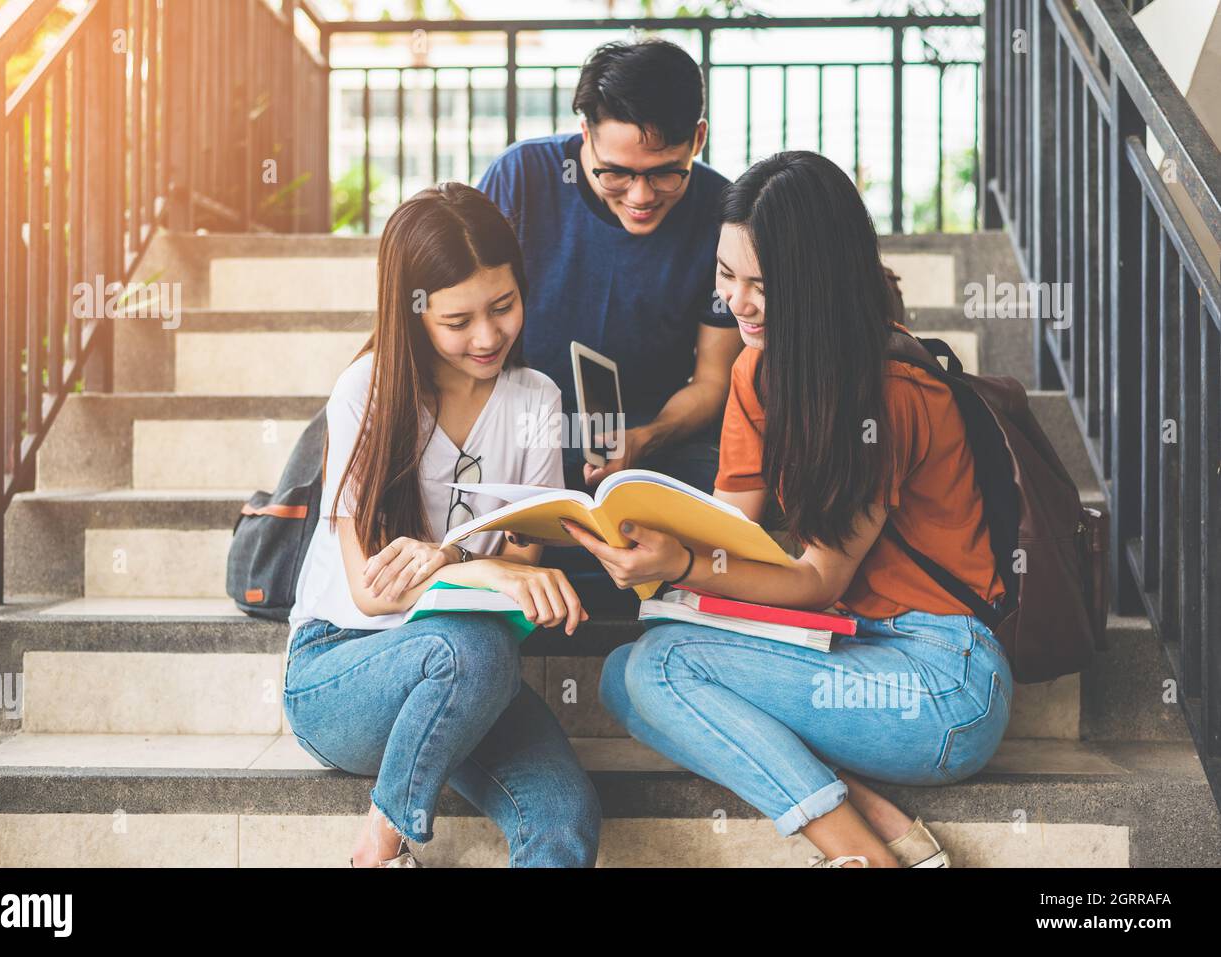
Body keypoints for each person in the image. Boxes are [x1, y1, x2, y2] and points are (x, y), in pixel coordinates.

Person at [566, 151, 1013, 868]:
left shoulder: (889, 394)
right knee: (624, 675)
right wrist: (632, 525)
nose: (736, 302)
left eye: (762, 285)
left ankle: (857, 855)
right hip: (850, 649)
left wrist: (684, 563)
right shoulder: (757, 369)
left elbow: (816, 580)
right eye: (725, 275)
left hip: (938, 681)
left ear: (817, 283)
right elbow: (730, 529)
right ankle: (872, 812)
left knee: (660, 671)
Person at [284, 183, 600, 868]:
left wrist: (476, 566)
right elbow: (373, 592)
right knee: (473, 647)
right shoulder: (365, 393)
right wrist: (477, 567)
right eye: (458, 321)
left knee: (564, 818)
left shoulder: (535, 399)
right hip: (344, 668)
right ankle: (381, 843)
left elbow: (522, 559)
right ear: (413, 312)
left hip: (473, 678)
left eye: (504, 306)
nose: (487, 337)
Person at [477, 38, 743, 495]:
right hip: (517, 427)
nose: (641, 197)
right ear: (587, 133)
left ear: (698, 139)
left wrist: (644, 438)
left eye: (665, 172)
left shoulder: (721, 210)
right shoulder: (519, 179)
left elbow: (713, 380)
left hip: (657, 439)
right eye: (616, 173)